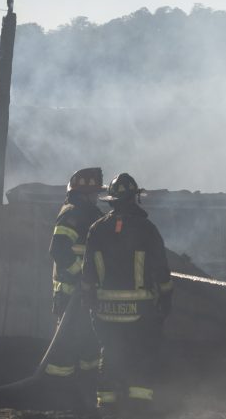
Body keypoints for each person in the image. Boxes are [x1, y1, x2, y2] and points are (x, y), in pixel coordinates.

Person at [82, 173, 173, 416]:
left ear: (111, 201)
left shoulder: (96, 229)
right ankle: (139, 408)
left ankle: (107, 407)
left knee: (109, 356)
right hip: (140, 313)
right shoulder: (146, 229)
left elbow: (87, 272)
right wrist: (166, 299)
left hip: (104, 313)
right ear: (135, 199)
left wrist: (91, 302)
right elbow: (161, 270)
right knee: (141, 357)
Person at [44, 167, 105, 410]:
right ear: (85, 193)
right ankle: (62, 401)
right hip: (71, 293)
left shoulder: (90, 214)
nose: (97, 197)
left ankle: (84, 398)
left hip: (85, 294)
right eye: (94, 193)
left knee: (88, 347)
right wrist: (82, 275)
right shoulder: (72, 214)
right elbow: (58, 249)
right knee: (66, 349)